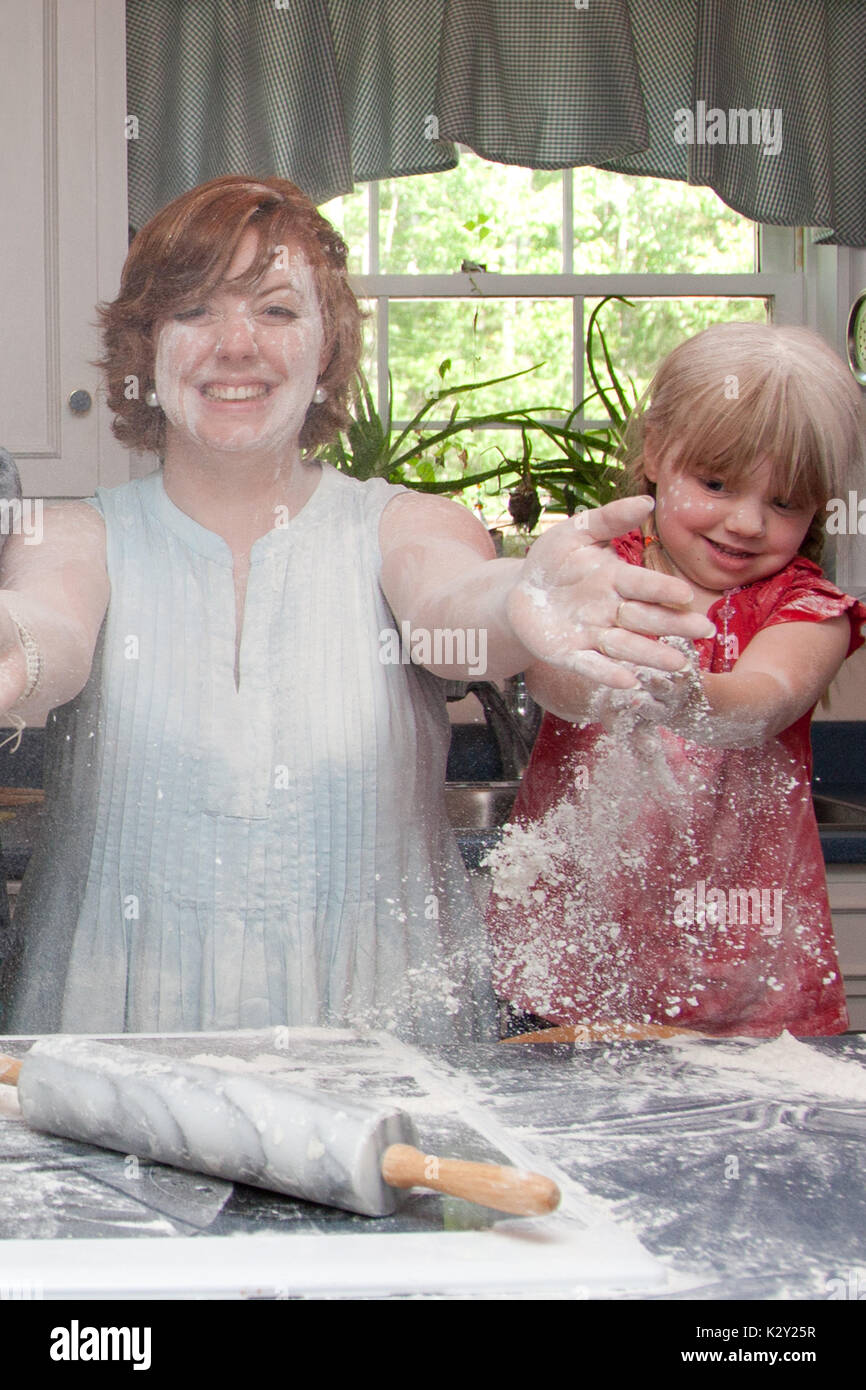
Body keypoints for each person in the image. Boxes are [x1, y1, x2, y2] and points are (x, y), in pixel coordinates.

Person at [0, 175, 709, 1043]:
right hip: (113, 1013)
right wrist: (19, 649)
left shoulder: (406, 527)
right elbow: (50, 630)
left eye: (276, 311)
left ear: (328, 344)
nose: (235, 344)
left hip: (382, 1025)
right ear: (145, 345)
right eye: (193, 311)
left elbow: (455, 605)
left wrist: (521, 596)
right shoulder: (73, 536)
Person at [487, 322, 866, 1039]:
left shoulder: (806, 609)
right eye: (716, 483)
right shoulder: (596, 577)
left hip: (744, 987)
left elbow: (764, 700)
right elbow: (552, 684)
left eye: (785, 502)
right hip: (573, 969)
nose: (747, 521)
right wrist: (587, 671)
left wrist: (689, 697)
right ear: (656, 451)